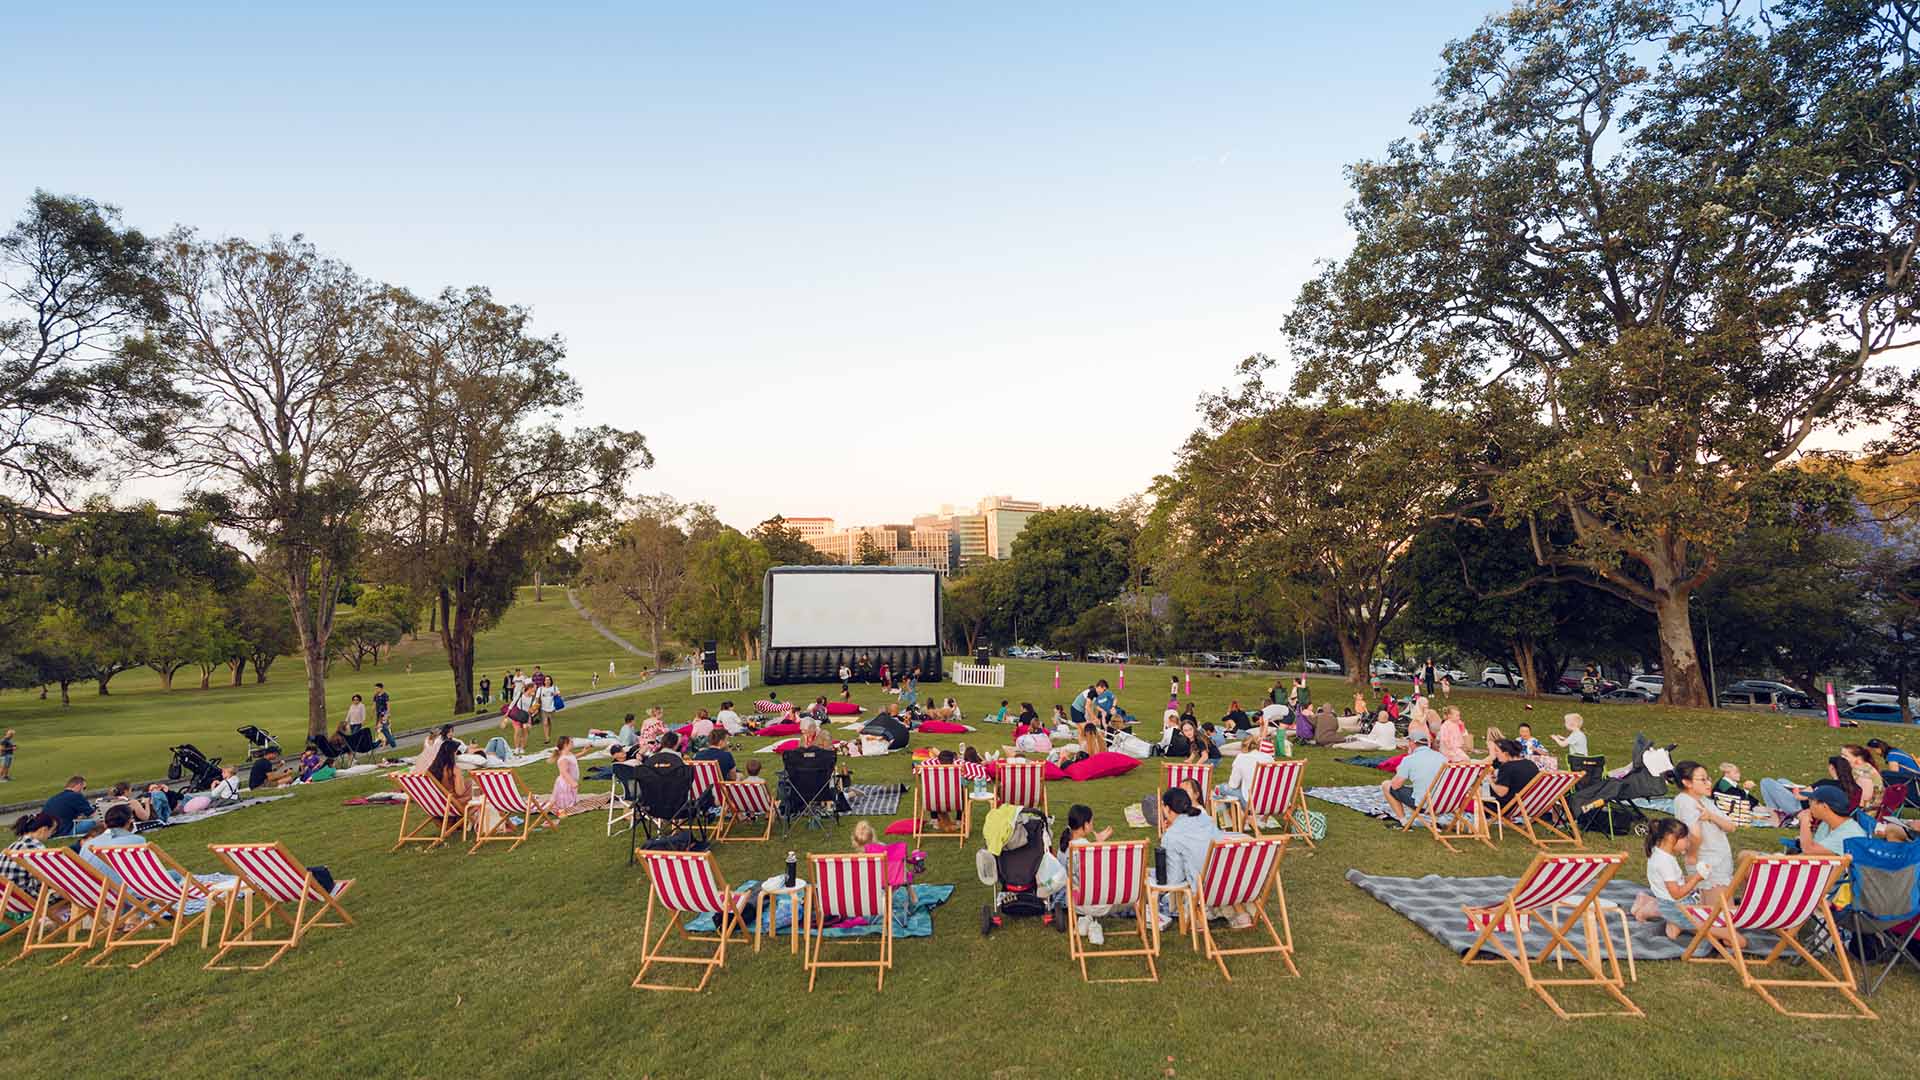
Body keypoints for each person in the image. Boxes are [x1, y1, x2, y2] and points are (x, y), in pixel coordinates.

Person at [1156, 787, 1245, 929]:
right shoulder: (1205, 818)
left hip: (1205, 891)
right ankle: (1239, 914)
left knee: (1165, 899)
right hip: (1231, 882)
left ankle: (1196, 916)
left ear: (1167, 809)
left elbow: (1174, 879)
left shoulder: (1171, 836)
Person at [1671, 760, 1736, 901]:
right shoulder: (1685, 801)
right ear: (1687, 783)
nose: (1708, 783)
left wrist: (1711, 816)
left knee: (1713, 911)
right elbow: (1695, 834)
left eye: (1708, 778)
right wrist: (1692, 856)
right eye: (1702, 779)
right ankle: (1650, 907)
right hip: (1706, 864)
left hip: (1721, 862)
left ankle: (1651, 904)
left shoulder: (1706, 801)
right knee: (1718, 916)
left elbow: (1731, 826)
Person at [1636, 818, 1709, 941]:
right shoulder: (1665, 862)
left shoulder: (1659, 853)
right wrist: (1696, 879)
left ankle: (1667, 918)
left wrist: (1693, 877)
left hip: (1665, 902)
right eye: (1685, 838)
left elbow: (1675, 880)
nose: (1688, 842)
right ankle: (1674, 921)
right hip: (1675, 905)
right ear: (1671, 838)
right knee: (1704, 908)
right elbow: (1676, 894)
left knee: (1674, 929)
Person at [1055, 804, 1115, 942]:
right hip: (1094, 903)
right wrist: (1099, 845)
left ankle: (1086, 921)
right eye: (1092, 821)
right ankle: (1092, 923)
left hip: (1074, 902)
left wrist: (1097, 843)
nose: (1093, 824)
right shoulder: (1088, 849)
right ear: (1085, 824)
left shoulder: (1063, 846)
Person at [1382, 734, 1445, 827]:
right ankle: (1434, 821)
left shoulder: (1409, 759)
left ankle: (1404, 822)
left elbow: (1395, 786)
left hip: (1425, 805)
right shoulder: (1442, 757)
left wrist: (1399, 770)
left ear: (1412, 743)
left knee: (1386, 785)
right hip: (1445, 803)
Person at [78, 804, 146, 885]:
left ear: (105, 824)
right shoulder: (136, 841)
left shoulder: (87, 845)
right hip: (125, 893)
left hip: (95, 893)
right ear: (129, 821)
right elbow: (146, 872)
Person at [1798, 784, 1867, 856]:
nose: (1809, 807)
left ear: (1824, 806)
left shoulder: (1849, 834)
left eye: (1811, 802)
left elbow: (1809, 851)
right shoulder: (1826, 824)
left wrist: (1805, 821)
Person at [3, 813, 57, 903]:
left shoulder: (12, 847)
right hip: (27, 900)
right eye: (53, 831)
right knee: (72, 892)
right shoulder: (37, 850)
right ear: (44, 830)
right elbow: (48, 878)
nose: (50, 835)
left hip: (7, 900)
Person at [1485, 739, 1539, 812]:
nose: (1495, 754)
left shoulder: (1507, 767)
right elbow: (1518, 781)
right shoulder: (1530, 764)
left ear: (1506, 754)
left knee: (1476, 794)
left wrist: (1489, 780)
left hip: (1508, 807)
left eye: (1497, 751)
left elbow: (1501, 793)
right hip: (1529, 806)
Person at [550, 736, 580, 813]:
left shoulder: (569, 754)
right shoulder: (563, 759)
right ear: (565, 745)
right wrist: (572, 782)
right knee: (565, 802)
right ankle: (563, 807)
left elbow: (574, 757)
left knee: (571, 798)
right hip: (566, 783)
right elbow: (564, 772)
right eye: (571, 742)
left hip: (569, 781)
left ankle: (568, 804)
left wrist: (584, 751)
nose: (573, 743)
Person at [536, 677, 558, 745]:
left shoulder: (554, 688)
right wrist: (537, 706)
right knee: (545, 723)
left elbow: (558, 694)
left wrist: (556, 694)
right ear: (544, 681)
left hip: (552, 708)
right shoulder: (540, 689)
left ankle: (549, 735)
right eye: (546, 680)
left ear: (551, 681)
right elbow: (537, 698)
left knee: (550, 723)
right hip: (543, 708)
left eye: (549, 680)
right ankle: (547, 738)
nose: (547, 681)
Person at [372, 683, 395, 749]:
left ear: (381, 688)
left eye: (377, 688)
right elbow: (374, 704)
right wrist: (373, 711)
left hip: (384, 714)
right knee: (377, 727)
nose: (375, 690)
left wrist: (387, 714)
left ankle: (388, 741)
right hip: (378, 714)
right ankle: (380, 740)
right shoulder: (375, 695)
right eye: (375, 688)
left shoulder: (385, 695)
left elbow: (388, 705)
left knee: (385, 728)